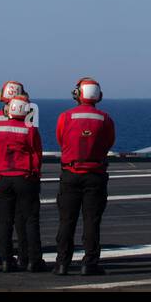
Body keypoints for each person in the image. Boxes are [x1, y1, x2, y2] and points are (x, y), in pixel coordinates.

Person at [54, 78, 115, 276]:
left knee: (66, 221)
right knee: (91, 221)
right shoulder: (105, 119)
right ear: (99, 96)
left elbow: (61, 139)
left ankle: (62, 263)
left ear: (77, 94)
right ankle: (90, 263)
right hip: (95, 175)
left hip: (70, 174)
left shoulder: (65, 117)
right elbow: (108, 142)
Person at [0, 93, 47, 272]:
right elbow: (37, 155)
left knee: (4, 221)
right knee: (30, 219)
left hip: (2, 178)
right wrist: (35, 176)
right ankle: (33, 259)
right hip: (24, 178)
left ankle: (5, 259)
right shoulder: (29, 129)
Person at [0, 79, 27, 269]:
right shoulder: (27, 120)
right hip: (21, 174)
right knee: (21, 216)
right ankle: (23, 255)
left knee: (1, 216)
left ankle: (1, 254)